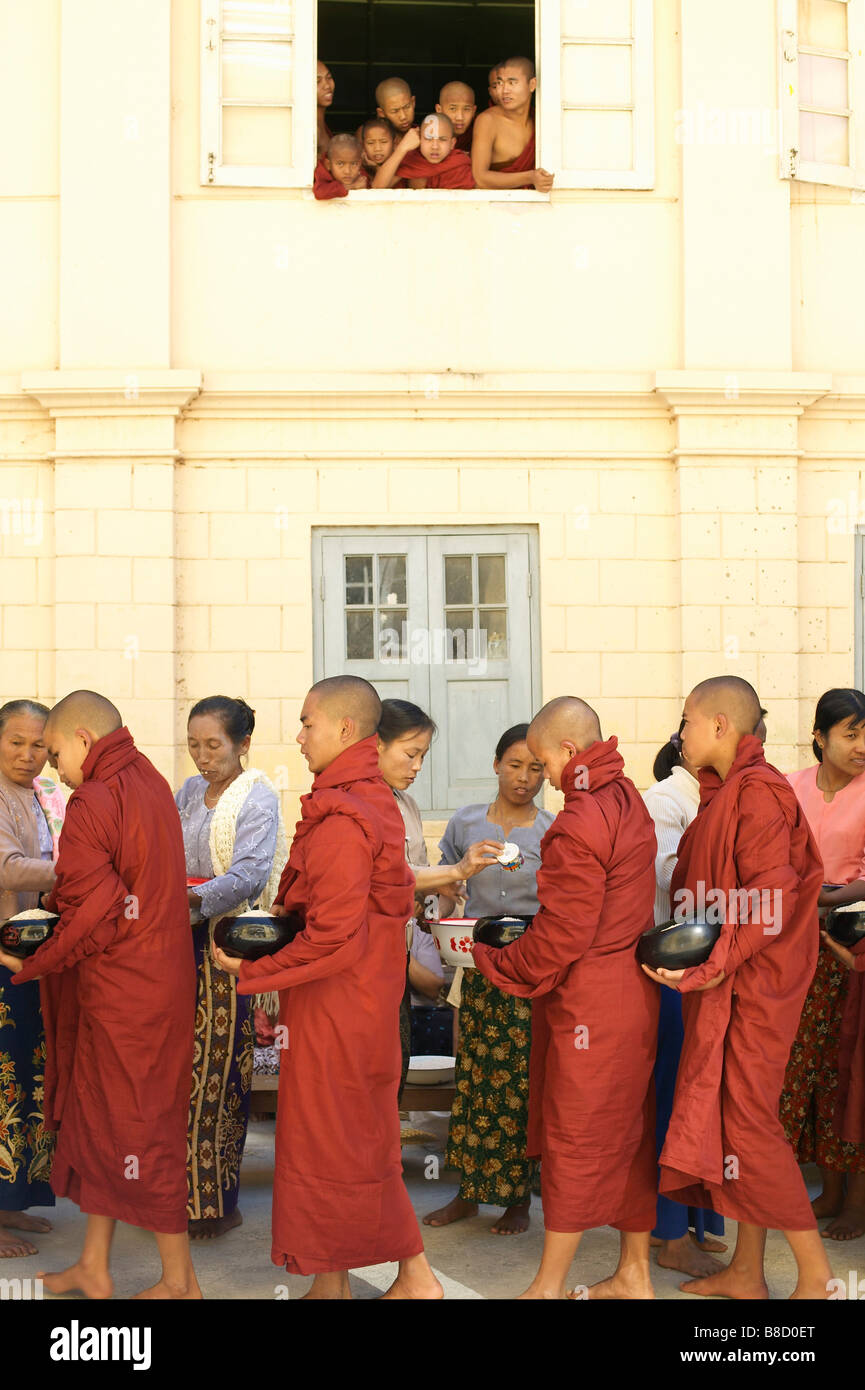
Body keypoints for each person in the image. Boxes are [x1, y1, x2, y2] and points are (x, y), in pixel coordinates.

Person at [213, 676, 441, 1299]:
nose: (299, 734)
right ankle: (330, 1281)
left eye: (308, 722)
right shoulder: (357, 802)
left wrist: (255, 972)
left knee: (346, 1145)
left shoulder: (346, 817)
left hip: (341, 1010)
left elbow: (334, 936)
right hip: (343, 1005)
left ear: (344, 730)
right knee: (335, 1145)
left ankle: (416, 1274)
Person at [0, 690, 200, 1299]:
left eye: (55, 750)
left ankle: (179, 1282)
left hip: (124, 993)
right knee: (104, 1126)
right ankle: (93, 1264)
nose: (53, 766)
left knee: (142, 1133)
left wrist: (34, 962)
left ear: (83, 740)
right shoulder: (149, 778)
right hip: (158, 981)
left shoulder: (93, 796)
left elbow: (98, 909)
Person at [643, 675, 833, 1300]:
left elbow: (771, 897)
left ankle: (817, 1277)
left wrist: (718, 964)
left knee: (750, 1126)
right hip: (732, 980)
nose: (681, 734)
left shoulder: (759, 795)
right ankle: (748, 1272)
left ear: (721, 725)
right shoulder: (724, 795)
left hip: (755, 987)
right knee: (737, 1126)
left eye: (688, 722)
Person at [471, 698, 659, 1297]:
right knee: (628, 1132)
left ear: (571, 754)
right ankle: (633, 1272)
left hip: (592, 1003)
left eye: (546, 760)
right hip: (634, 993)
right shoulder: (626, 797)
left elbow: (563, 933)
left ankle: (546, 1288)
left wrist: (493, 960)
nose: (543, 775)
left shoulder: (579, 820)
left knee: (575, 1137)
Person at [424, 723, 553, 1237]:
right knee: (473, 1078)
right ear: (497, 764)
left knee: (521, 1082)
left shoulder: (551, 830)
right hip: (473, 966)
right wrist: (440, 917)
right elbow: (449, 886)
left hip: (528, 966)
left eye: (536, 768)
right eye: (515, 765)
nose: (524, 778)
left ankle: (518, 1198)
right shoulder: (466, 821)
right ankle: (469, 1192)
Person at [177, 695, 287, 1240]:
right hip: (179, 943)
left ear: (243, 745)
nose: (202, 757)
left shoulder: (258, 797)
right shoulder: (190, 793)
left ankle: (216, 1200)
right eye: (194, 745)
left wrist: (190, 901)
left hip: (226, 945)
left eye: (213, 745)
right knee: (182, 1073)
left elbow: (249, 874)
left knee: (220, 1074)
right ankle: (180, 1196)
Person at [779, 688, 865, 1240]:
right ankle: (829, 1190)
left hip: (854, 946)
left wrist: (833, 896)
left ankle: (856, 1202)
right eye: (851, 734)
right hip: (797, 946)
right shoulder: (790, 788)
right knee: (807, 1070)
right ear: (820, 736)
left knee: (851, 1071)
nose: (862, 746)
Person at [643, 727, 727, 1278]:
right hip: (673, 970)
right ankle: (669, 1232)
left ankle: (696, 1221)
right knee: (677, 1099)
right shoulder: (666, 802)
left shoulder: (719, 796)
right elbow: (676, 883)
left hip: (711, 969)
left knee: (703, 1096)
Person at [0, 699, 64, 1259]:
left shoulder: (36, 796)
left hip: (24, 960)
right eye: (16, 742)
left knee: (23, 1079)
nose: (28, 755)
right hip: (1, 962)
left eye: (40, 745)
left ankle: (11, 1198)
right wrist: (82, 868)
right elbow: (6, 868)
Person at [471, 57, 553, 192]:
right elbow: (480, 178)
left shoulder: (540, 121)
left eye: (512, 83)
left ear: (532, 85)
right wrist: (530, 177)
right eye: (499, 83)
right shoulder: (488, 120)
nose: (504, 91)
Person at [373, 114, 475, 190]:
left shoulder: (459, 163)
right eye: (428, 139)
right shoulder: (412, 160)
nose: (435, 147)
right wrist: (402, 148)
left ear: (452, 143)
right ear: (419, 140)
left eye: (442, 139)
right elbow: (377, 187)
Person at [313, 134, 369, 200]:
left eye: (354, 164)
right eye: (340, 164)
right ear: (328, 165)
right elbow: (320, 193)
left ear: (360, 163)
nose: (347, 171)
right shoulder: (322, 171)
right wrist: (351, 186)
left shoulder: (360, 174)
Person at [436, 80, 477, 151]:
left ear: (474, 111)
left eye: (466, 109)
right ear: (439, 110)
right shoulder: (428, 134)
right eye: (453, 109)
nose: (460, 117)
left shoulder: (478, 135)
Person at [316, 60, 334, 156]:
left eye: (329, 77)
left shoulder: (321, 123)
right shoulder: (312, 130)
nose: (327, 85)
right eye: (317, 81)